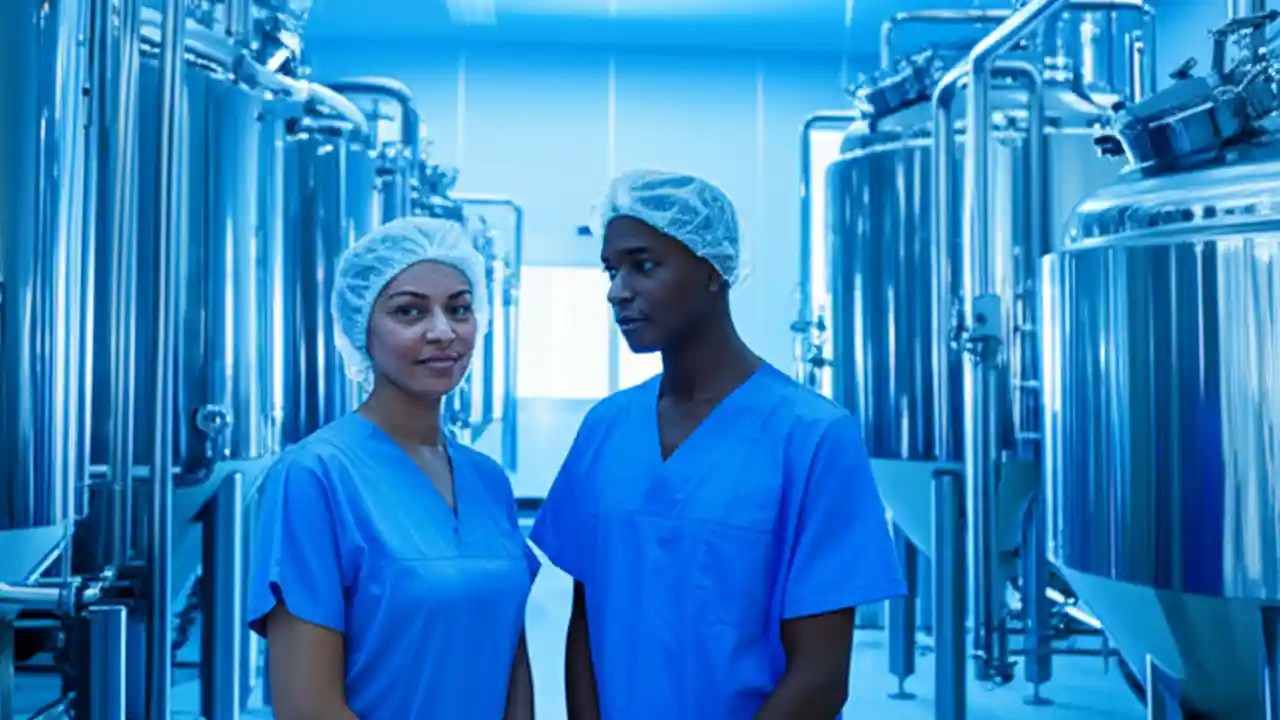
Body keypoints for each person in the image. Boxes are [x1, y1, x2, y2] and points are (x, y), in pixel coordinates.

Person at [530, 169, 907, 719]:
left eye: (644, 265)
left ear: (712, 270)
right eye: (611, 270)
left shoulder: (811, 437)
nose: (617, 291)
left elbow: (822, 677)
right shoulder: (606, 428)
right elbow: (585, 623)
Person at [247, 216, 539, 720]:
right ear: (363, 326)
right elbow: (307, 709)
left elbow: (511, 661)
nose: (443, 332)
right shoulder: (316, 476)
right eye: (409, 311)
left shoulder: (486, 480)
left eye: (460, 308)